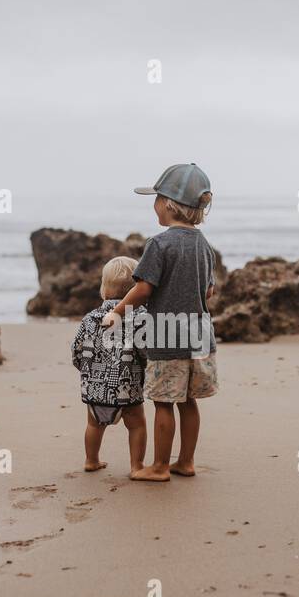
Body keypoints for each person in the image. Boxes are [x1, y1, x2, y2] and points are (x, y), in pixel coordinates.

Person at [103, 163, 218, 482]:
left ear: (168, 204)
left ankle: (160, 467)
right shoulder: (203, 245)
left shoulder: (160, 244)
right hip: (199, 335)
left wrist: (118, 311)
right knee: (189, 401)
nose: (153, 205)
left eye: (155, 198)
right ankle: (186, 462)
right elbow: (208, 290)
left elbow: (144, 288)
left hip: (167, 334)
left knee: (164, 402)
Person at [70, 256, 148, 474]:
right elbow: (145, 351)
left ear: (103, 288)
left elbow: (76, 350)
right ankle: (136, 466)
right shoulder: (140, 316)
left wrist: (86, 370)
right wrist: (146, 370)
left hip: (95, 386)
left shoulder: (90, 318)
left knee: (94, 425)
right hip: (127, 385)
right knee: (136, 425)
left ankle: (91, 460)